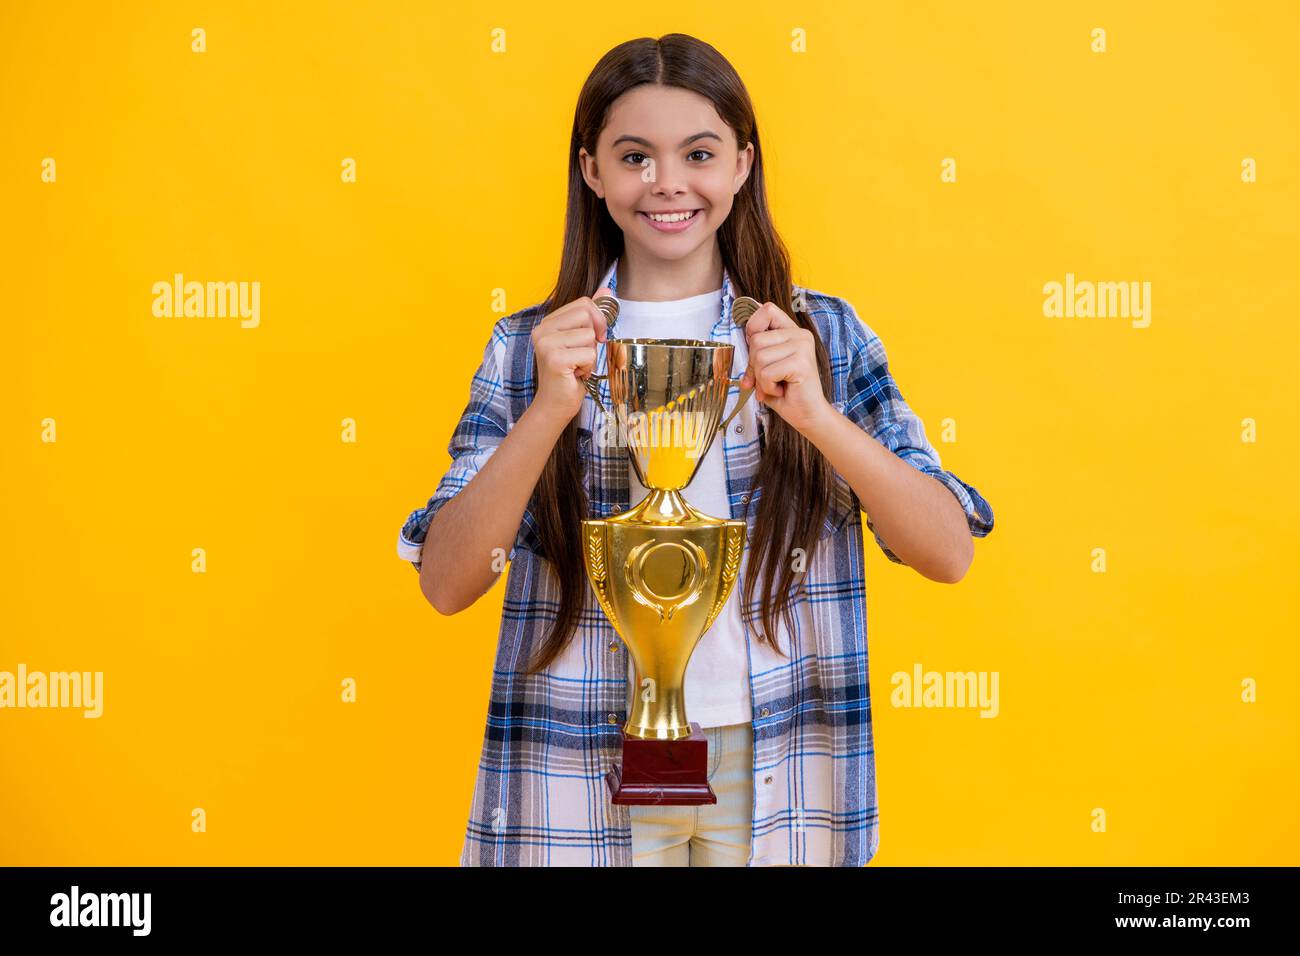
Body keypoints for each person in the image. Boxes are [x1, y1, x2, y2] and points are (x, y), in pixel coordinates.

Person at [397, 33, 995, 866]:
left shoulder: (820, 335)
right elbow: (448, 582)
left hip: (775, 752)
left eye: (699, 153)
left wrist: (819, 417)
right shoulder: (526, 349)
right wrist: (545, 414)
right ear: (591, 171)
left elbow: (947, 552)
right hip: (585, 756)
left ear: (743, 165)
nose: (668, 182)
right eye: (635, 155)